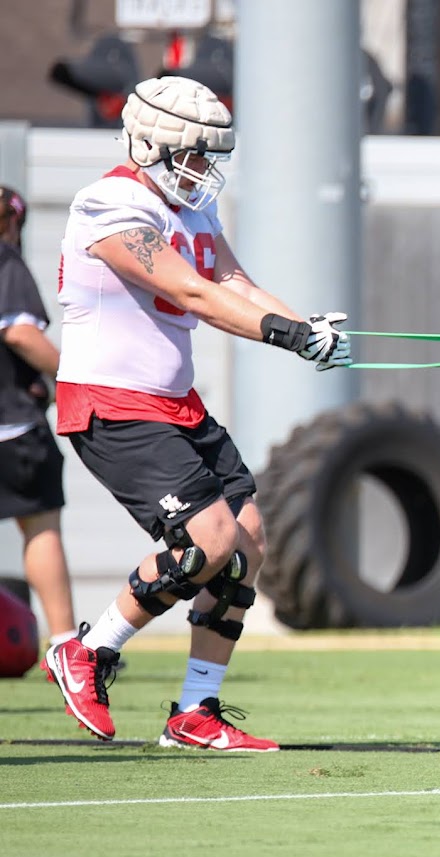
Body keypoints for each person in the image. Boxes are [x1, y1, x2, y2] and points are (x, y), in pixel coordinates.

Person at [41, 76, 352, 750]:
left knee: (245, 545)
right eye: (194, 155)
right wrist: (284, 334)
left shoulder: (193, 211)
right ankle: (89, 649)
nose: (204, 170)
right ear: (149, 145)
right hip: (114, 404)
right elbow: (192, 292)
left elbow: (233, 282)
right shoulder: (109, 204)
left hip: (177, 405)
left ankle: (195, 710)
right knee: (205, 543)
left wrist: (309, 330)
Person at [0, 185, 78, 653]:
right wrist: (74, 378)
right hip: (12, 427)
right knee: (41, 526)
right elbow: (20, 332)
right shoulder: (6, 262)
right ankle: (66, 646)